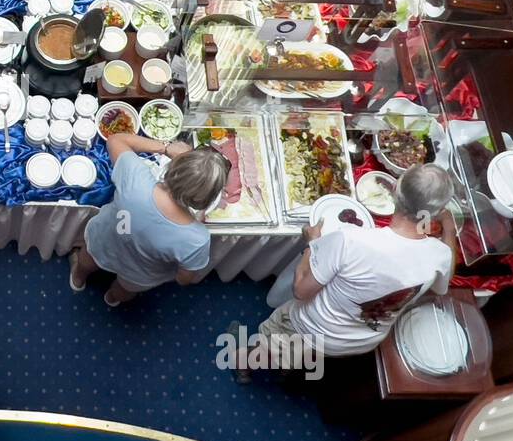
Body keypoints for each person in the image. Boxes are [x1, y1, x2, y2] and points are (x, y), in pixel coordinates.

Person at [243, 164, 458, 368]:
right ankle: (286, 367)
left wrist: (312, 244)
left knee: (270, 345)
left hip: (315, 327)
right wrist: (449, 229)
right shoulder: (440, 255)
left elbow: (300, 290)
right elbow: (444, 280)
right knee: (301, 354)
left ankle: (243, 362)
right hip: (361, 341)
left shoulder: (351, 240)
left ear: (394, 189)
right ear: (437, 211)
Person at [70, 132, 228, 306]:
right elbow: (184, 279)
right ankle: (112, 298)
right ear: (206, 199)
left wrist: (166, 148)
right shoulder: (198, 239)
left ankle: (78, 279)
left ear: (174, 167)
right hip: (141, 272)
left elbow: (116, 140)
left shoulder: (136, 178)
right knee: (126, 290)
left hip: (106, 241)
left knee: (87, 260)